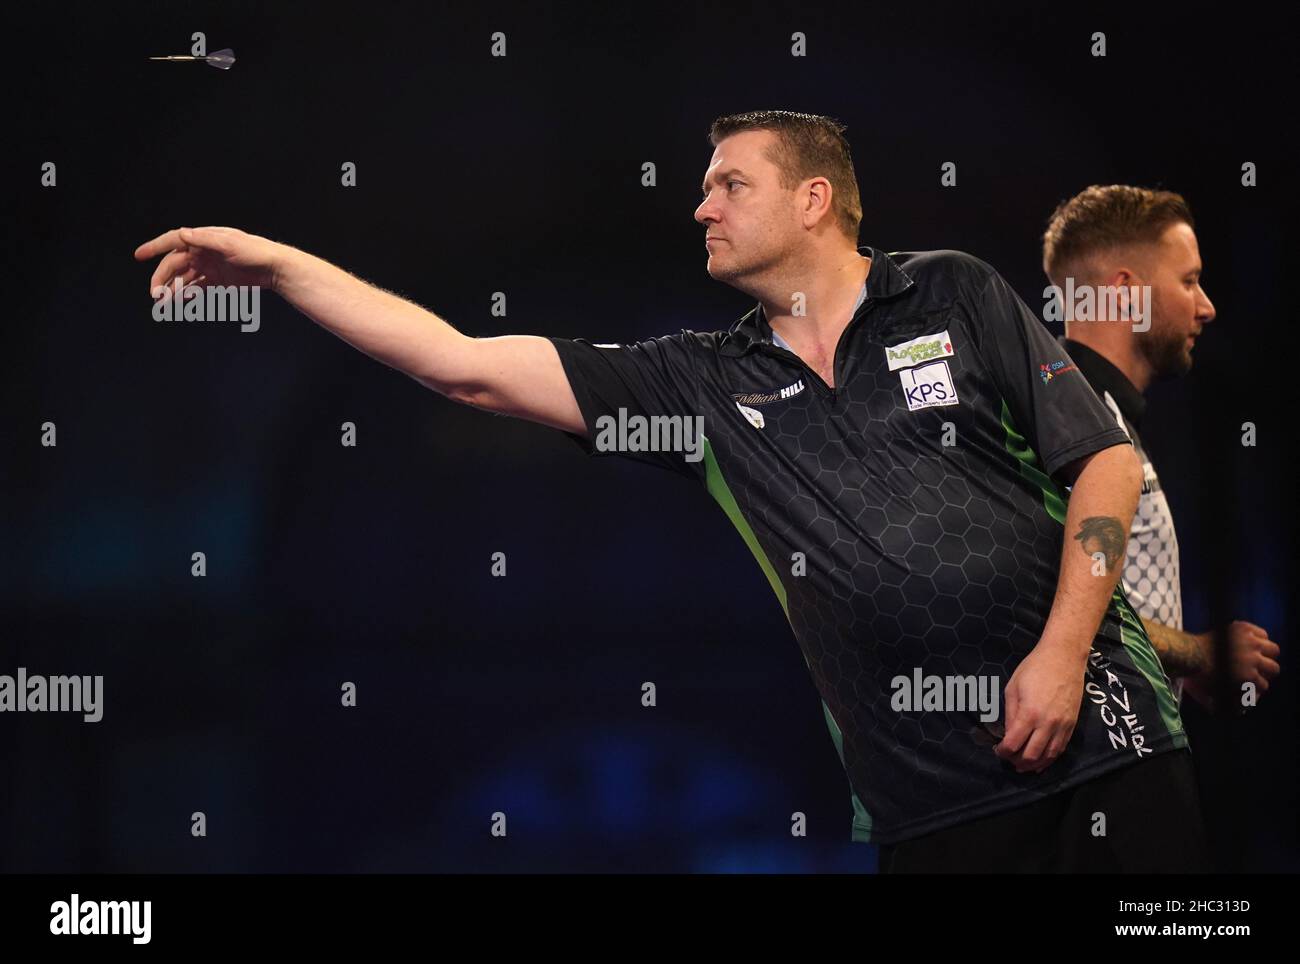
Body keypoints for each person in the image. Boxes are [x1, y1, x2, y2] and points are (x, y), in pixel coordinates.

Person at [135, 110, 1206, 872]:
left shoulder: (955, 290)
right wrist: (280, 266)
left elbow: (1101, 462)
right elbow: (457, 359)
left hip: (1103, 746)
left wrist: (1061, 657)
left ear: (813, 197)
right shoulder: (699, 379)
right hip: (929, 809)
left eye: (727, 183)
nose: (698, 206)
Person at [1041, 185, 1280, 712]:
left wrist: (1176, 663)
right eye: (1189, 281)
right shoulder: (1068, 419)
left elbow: (1109, 596)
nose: (1207, 307)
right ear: (1126, 292)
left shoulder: (1097, 409)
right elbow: (1047, 598)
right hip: (1099, 768)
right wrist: (1198, 651)